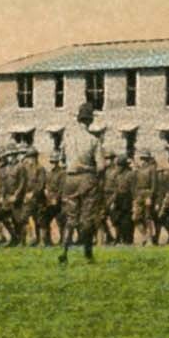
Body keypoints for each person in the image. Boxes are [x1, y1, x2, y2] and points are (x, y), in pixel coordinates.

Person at [57, 102, 109, 263]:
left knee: (71, 218)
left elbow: (61, 163)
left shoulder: (67, 139)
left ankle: (64, 253)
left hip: (70, 179)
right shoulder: (94, 140)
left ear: (78, 119)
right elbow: (101, 166)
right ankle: (88, 254)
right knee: (87, 217)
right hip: (87, 178)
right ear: (90, 120)